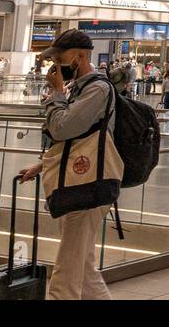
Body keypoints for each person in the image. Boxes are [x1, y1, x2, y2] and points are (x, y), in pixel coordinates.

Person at [17, 30, 117, 300]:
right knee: (83, 269)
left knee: (66, 274)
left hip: (88, 185)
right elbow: (73, 140)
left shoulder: (98, 88)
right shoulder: (78, 89)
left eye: (61, 58)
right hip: (76, 182)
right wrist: (40, 166)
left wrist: (57, 93)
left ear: (80, 57)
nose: (56, 64)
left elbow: (62, 128)